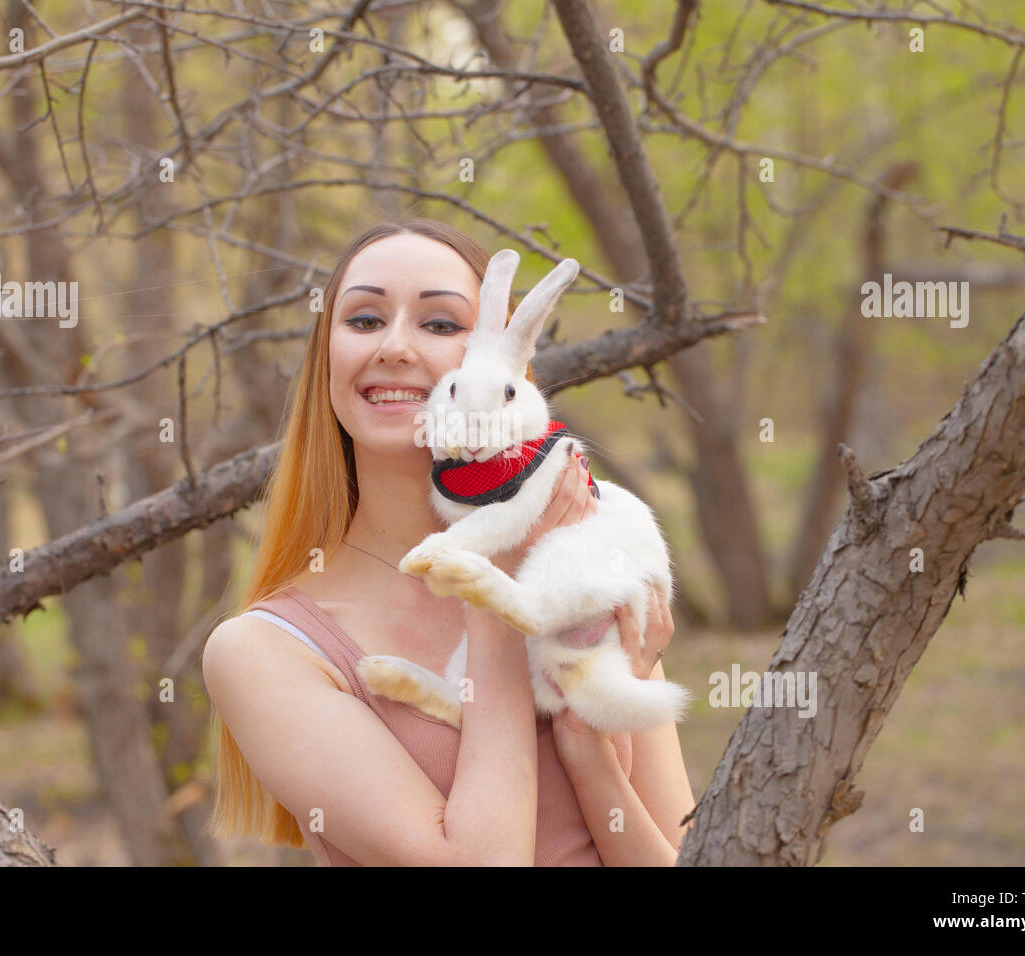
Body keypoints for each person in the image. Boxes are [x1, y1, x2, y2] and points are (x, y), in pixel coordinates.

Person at [202, 218, 694, 866]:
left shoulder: (583, 566)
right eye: (364, 320)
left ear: (505, 357)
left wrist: (587, 748)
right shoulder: (265, 651)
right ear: (328, 357)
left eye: (438, 324)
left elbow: (690, 855)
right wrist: (495, 585)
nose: (395, 348)